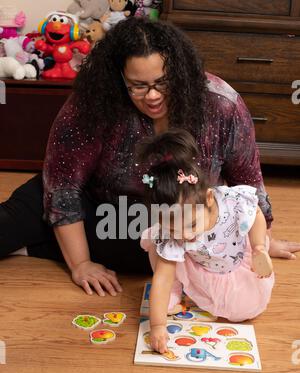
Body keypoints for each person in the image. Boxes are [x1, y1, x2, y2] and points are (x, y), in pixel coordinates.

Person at [0, 17, 298, 297]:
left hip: (173, 219)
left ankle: (49, 245)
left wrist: (256, 240)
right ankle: (56, 244)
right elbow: (63, 188)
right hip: (92, 203)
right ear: (119, 79)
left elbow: (247, 181)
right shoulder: (93, 103)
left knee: (157, 248)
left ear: (180, 72)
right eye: (138, 86)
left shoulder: (221, 105)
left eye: (161, 82)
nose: (152, 96)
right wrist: (80, 265)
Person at [138, 129, 275, 354]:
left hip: (232, 259)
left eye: (191, 224)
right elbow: (160, 279)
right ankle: (177, 286)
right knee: (159, 243)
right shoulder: (175, 232)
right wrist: (158, 325)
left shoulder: (232, 203)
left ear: (209, 198)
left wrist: (259, 246)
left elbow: (256, 215)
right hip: (200, 264)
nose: (185, 235)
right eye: (174, 228)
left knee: (245, 311)